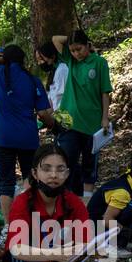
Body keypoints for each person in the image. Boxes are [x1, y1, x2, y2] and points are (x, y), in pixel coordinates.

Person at [0, 45, 56, 219]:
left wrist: (0, 57)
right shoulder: (32, 80)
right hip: (27, 137)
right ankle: (31, 219)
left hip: (3, 138)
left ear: (5, 59)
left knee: (6, 183)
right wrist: (53, 125)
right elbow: (42, 113)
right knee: (30, 177)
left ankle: (10, 227)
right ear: (23, 60)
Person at [56, 29, 113, 196]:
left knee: (90, 166)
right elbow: (55, 39)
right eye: (72, 50)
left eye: (79, 49)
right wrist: (72, 38)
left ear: (88, 45)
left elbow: (105, 92)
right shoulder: (70, 61)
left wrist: (105, 118)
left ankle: (87, 207)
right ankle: (66, 203)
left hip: (92, 123)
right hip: (68, 122)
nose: (76, 53)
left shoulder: (99, 63)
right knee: (66, 163)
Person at [88, 152, 132, 254]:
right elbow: (107, 219)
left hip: (106, 226)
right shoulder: (122, 192)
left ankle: (123, 241)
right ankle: (110, 244)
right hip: (94, 227)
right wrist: (127, 233)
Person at [35, 35, 70, 111]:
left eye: (42, 58)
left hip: (64, 115)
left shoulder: (62, 69)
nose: (40, 62)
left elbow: (62, 97)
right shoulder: (54, 70)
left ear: (52, 55)